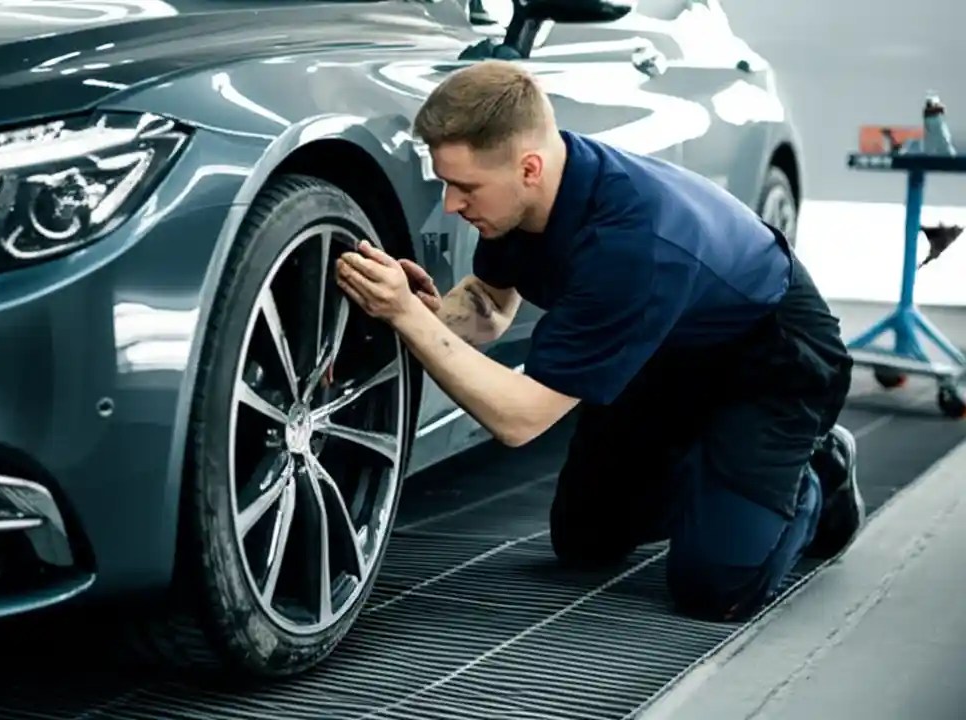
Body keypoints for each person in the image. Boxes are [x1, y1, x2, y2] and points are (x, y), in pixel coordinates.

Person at [334, 60, 864, 622]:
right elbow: (490, 309)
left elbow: (519, 420)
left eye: (464, 188)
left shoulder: (627, 246)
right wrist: (428, 313)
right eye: (446, 183)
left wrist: (405, 320)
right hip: (662, 359)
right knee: (585, 541)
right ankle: (712, 470)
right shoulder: (528, 197)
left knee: (715, 588)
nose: (450, 205)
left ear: (529, 169)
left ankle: (817, 468)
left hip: (770, 359)